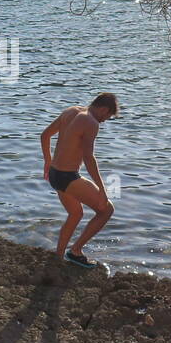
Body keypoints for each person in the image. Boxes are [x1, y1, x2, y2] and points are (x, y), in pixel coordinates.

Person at [40, 92, 119, 267]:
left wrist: (48, 161)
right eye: (107, 116)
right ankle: (75, 251)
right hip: (68, 177)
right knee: (106, 210)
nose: (105, 120)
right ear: (103, 109)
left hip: (55, 174)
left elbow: (45, 135)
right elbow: (89, 159)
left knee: (76, 213)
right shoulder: (90, 122)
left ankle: (59, 255)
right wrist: (103, 190)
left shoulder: (70, 111)